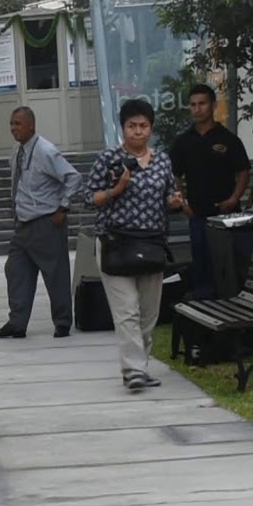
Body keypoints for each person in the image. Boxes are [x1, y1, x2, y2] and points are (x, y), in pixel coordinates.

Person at [84, 99, 187, 392]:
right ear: (123, 128)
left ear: (151, 129)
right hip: (116, 244)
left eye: (143, 126)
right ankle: (134, 371)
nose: (137, 132)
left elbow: (168, 196)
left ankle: (139, 364)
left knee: (148, 313)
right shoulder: (109, 159)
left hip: (152, 245)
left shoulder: (162, 160)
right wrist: (117, 190)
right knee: (126, 310)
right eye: (132, 126)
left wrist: (174, 202)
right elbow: (88, 198)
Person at [0, 106, 81, 339]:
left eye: (18, 124)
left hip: (46, 222)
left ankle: (62, 323)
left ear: (31, 125)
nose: (13, 129)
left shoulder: (45, 151)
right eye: (11, 124)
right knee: (15, 269)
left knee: (55, 275)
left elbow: (73, 178)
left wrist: (63, 207)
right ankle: (17, 323)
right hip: (23, 224)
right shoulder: (17, 152)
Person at [170, 83, 252, 298]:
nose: (197, 109)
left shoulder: (228, 139)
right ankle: (201, 304)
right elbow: (174, 175)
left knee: (229, 262)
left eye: (202, 104)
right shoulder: (182, 142)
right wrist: (183, 203)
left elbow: (243, 172)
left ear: (213, 105)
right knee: (201, 259)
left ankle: (232, 302)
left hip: (228, 215)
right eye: (193, 104)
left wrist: (234, 198)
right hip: (197, 214)